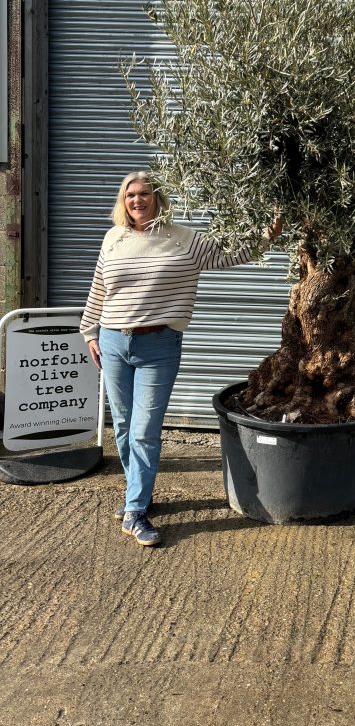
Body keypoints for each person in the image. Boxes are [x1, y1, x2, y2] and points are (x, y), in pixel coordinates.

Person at [81, 170, 282, 547]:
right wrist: (90, 331)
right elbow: (99, 288)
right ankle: (137, 495)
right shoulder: (114, 238)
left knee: (144, 429)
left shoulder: (184, 240)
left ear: (158, 198)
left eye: (144, 194)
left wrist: (269, 233)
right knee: (123, 427)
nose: (137, 201)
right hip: (112, 342)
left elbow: (233, 254)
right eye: (130, 196)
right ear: (123, 203)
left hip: (159, 346)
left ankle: (136, 511)